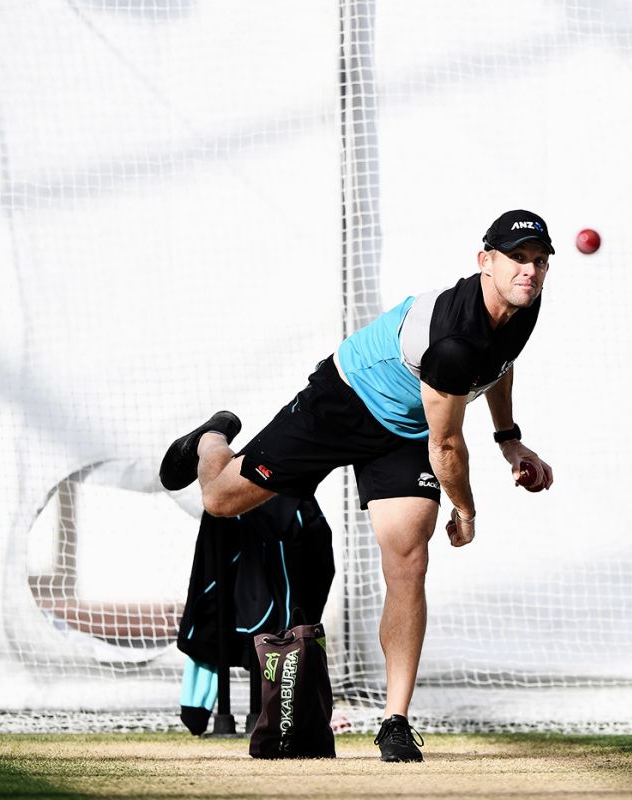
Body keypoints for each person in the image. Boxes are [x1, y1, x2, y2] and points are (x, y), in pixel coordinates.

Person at [159, 209, 556, 762]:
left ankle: (394, 721)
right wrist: (465, 511)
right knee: (220, 499)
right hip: (342, 403)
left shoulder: (523, 306)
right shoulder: (452, 340)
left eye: (539, 261)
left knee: (409, 559)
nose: (530, 271)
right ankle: (211, 438)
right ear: (484, 261)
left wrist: (509, 438)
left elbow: (498, 364)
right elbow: (447, 447)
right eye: (517, 259)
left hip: (405, 431)